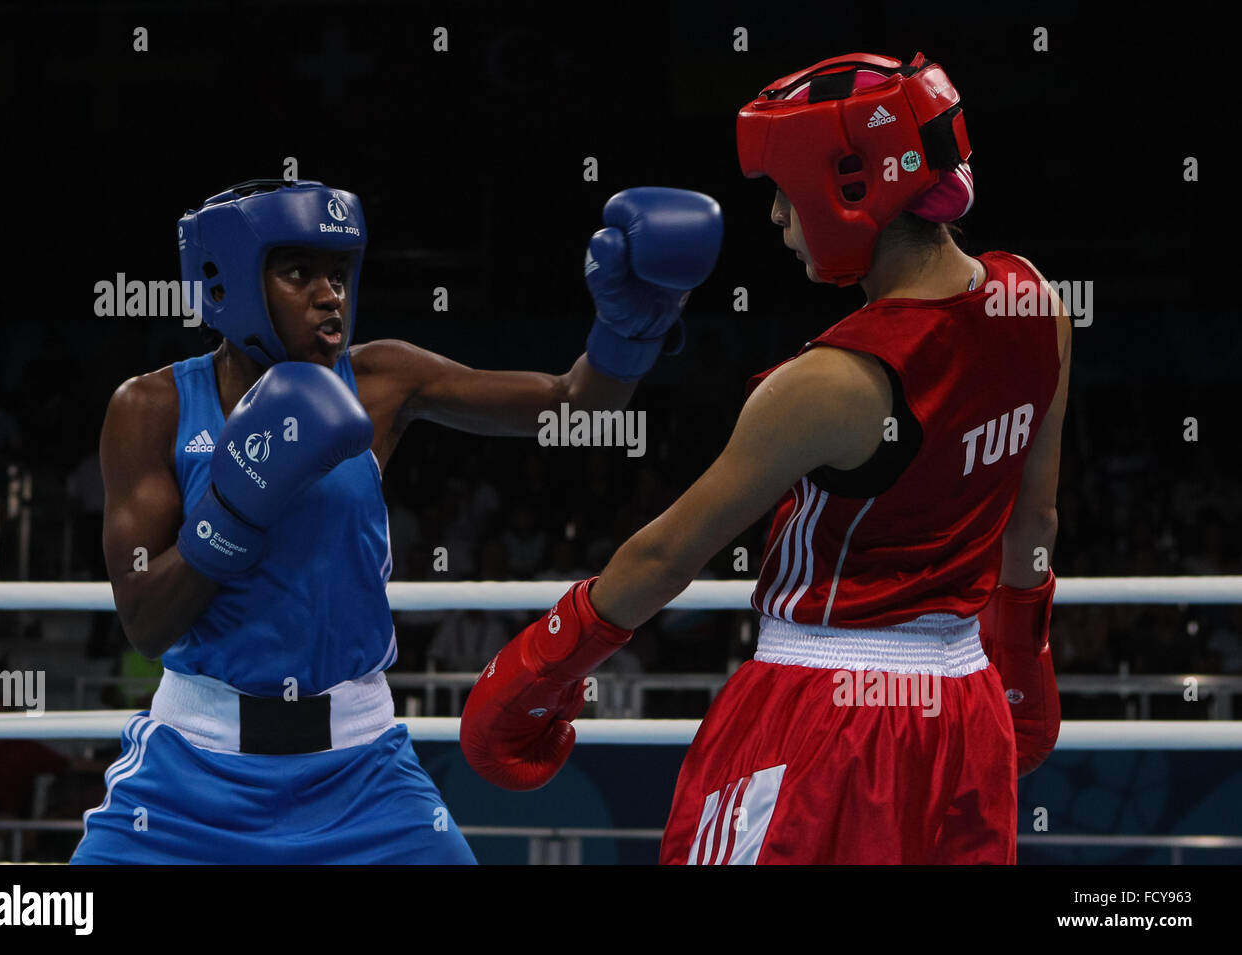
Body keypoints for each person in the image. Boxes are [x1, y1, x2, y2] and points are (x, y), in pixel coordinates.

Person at [461, 53, 1071, 865]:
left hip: (822, 711)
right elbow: (1034, 522)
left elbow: (670, 551)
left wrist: (530, 673)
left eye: (784, 193)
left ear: (849, 187)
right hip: (964, 707)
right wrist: (1023, 667)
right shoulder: (1034, 300)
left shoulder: (832, 378)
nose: (780, 220)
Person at [70, 178, 721, 864]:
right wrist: (233, 506)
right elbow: (145, 622)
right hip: (187, 782)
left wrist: (630, 327)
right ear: (226, 277)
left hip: (361, 775)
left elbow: (573, 405)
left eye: (339, 273)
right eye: (299, 273)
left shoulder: (382, 379)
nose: (331, 296)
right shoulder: (152, 408)